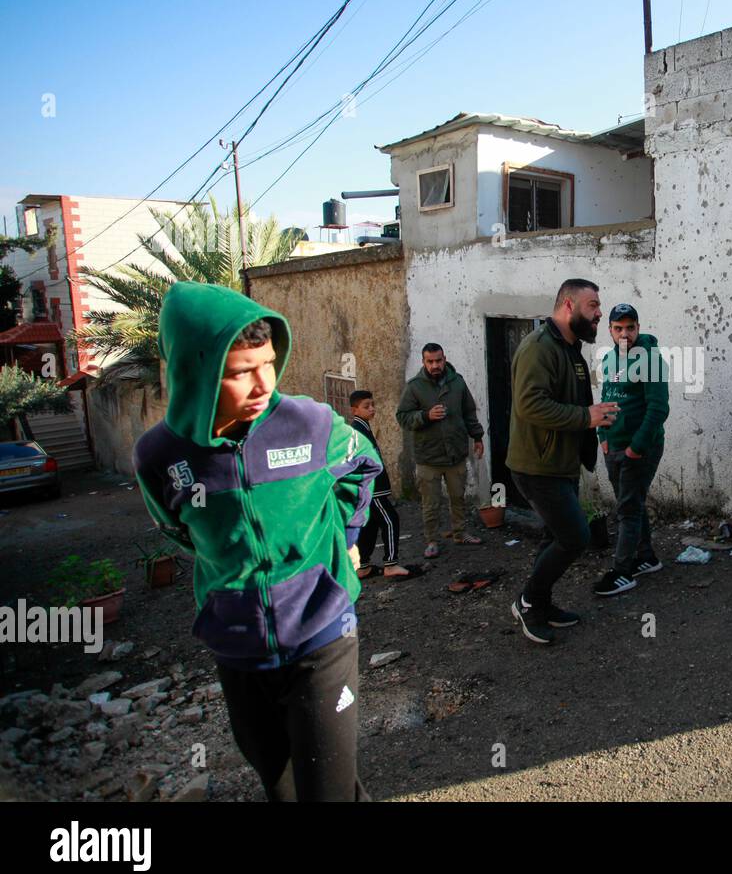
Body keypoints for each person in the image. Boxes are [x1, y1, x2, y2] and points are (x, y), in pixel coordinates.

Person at [133, 281, 381, 802]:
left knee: (328, 792)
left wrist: (345, 535)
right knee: (282, 787)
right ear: (195, 374)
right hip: (238, 647)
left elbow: (362, 465)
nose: (263, 383)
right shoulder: (160, 457)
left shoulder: (307, 422)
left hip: (323, 634)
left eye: (268, 363)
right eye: (241, 371)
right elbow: (177, 528)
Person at [506, 279, 620, 644]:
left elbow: (574, 403)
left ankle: (540, 602)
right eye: (593, 305)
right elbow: (530, 405)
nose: (599, 313)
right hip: (536, 465)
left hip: (562, 462)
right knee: (575, 537)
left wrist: (594, 423)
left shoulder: (571, 349)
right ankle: (527, 602)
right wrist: (586, 417)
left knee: (558, 535)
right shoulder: (538, 348)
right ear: (568, 306)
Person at [595, 303, 669, 596]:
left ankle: (622, 571)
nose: (624, 334)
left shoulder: (651, 359)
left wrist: (636, 448)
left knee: (627, 507)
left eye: (630, 327)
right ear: (610, 330)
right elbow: (606, 396)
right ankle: (647, 557)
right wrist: (602, 432)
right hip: (613, 444)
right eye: (618, 328)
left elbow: (658, 408)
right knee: (633, 502)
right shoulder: (610, 359)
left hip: (640, 447)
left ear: (638, 327)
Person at [395, 343, 485, 559]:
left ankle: (460, 533)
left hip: (455, 453)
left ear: (444, 359)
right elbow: (403, 417)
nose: (435, 365)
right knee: (431, 503)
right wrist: (425, 416)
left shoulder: (458, 382)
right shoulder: (415, 387)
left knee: (458, 497)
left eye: (438, 360)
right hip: (429, 457)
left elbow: (469, 412)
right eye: (430, 361)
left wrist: (478, 437)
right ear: (424, 362)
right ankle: (432, 540)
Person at [349, 389, 413, 579]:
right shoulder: (358, 431)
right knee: (390, 520)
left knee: (369, 526)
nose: (372, 409)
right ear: (354, 410)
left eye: (372, 405)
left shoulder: (363, 428)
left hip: (371, 488)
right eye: (366, 406)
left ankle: (363, 566)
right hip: (372, 488)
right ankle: (391, 564)